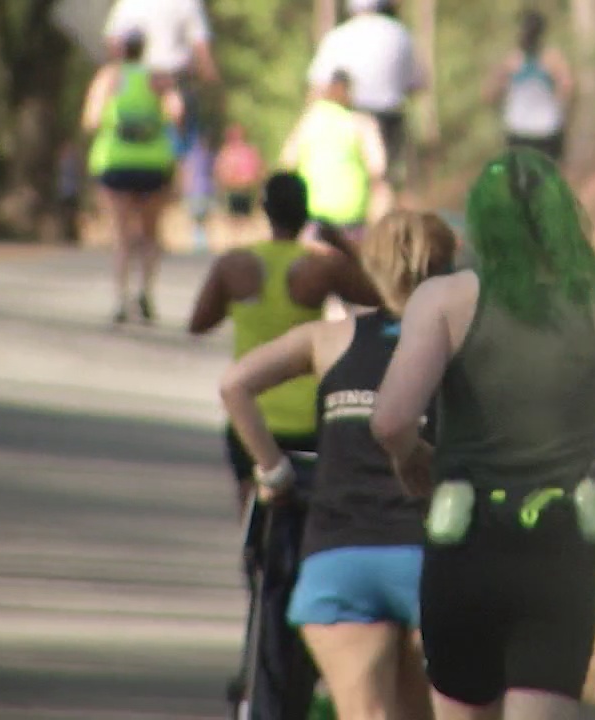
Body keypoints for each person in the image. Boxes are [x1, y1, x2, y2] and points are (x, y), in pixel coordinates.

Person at [369, 148, 595, 720]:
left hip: (466, 548)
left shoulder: (443, 300)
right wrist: (590, 444)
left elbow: (390, 420)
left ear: (481, 223)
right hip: (559, 555)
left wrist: (409, 457)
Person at [221, 210, 454, 720]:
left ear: (370, 268)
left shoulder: (328, 340)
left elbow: (234, 384)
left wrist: (274, 470)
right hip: (433, 561)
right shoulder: (461, 345)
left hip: (338, 560)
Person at [188, 172, 381, 719]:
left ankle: (261, 627)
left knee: (260, 530)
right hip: (316, 427)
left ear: (264, 211)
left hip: (254, 425)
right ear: (305, 212)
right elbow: (383, 297)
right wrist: (343, 245)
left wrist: (242, 304)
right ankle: (310, 650)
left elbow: (198, 323)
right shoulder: (322, 268)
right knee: (315, 540)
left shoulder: (235, 264)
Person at [82, 29, 183, 324]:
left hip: (116, 162)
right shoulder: (158, 78)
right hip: (153, 163)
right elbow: (177, 113)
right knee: (151, 234)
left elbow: (91, 120)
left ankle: (120, 298)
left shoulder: (109, 78)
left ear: (119, 49)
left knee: (121, 234)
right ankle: (146, 292)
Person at [307, 0, 426, 197]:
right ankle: (386, 224)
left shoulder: (339, 36)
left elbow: (318, 86)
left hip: (350, 118)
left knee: (351, 181)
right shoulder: (401, 34)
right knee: (384, 181)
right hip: (391, 117)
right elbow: (419, 84)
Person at [281, 70, 388, 251]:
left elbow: (287, 161)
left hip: (313, 215)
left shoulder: (309, 121)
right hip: (351, 216)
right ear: (349, 93)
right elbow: (378, 167)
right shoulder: (360, 123)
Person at [103, 0, 222, 161]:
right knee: (178, 153)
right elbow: (200, 47)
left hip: (135, 83)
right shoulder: (188, 3)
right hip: (175, 82)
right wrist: (212, 83)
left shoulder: (129, 3)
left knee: (134, 144)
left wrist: (116, 75)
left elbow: (113, 41)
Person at [483, 9, 574, 165]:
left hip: (518, 129)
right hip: (547, 129)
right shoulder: (553, 58)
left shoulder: (511, 60)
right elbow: (568, 88)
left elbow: (488, 94)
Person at [214, 123, 265, 248]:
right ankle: (236, 245)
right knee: (234, 221)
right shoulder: (228, 152)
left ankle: (240, 245)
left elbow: (259, 170)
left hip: (244, 190)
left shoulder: (246, 151)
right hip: (234, 190)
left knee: (243, 221)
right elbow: (220, 171)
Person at [183, 136, 215, 253]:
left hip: (198, 190)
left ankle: (200, 242)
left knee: (199, 218)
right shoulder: (208, 156)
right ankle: (201, 242)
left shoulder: (192, 156)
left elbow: (187, 173)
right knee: (201, 218)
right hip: (204, 190)